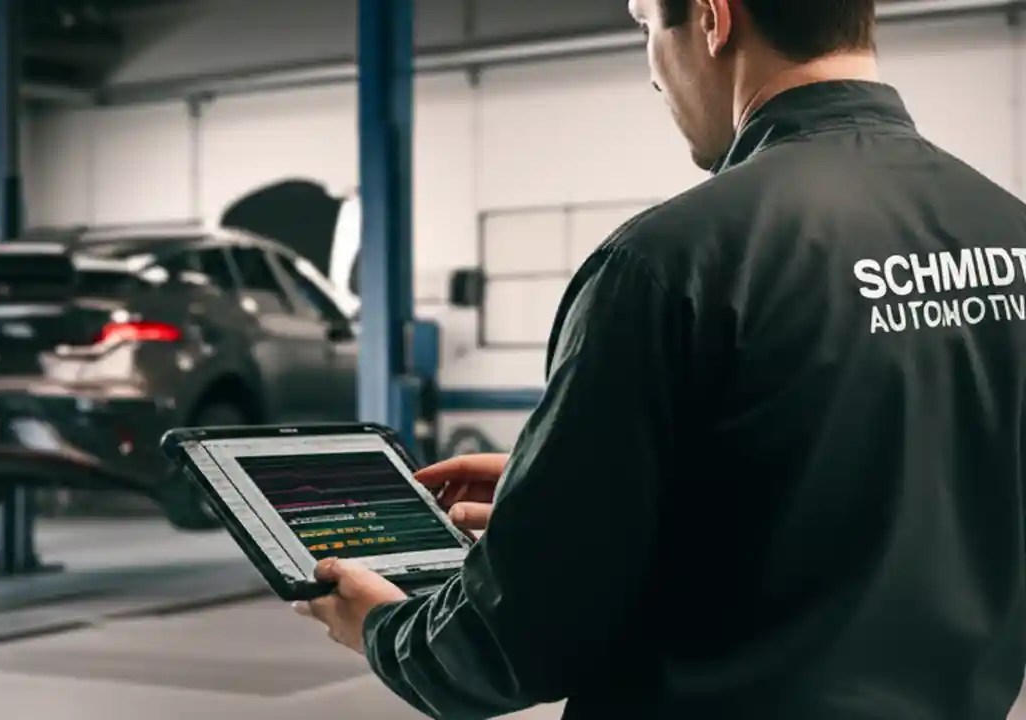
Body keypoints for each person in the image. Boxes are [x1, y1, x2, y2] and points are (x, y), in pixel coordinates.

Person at [296, 0, 1026, 717]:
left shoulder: (671, 263)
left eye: (645, 24)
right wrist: (580, 477)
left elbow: (513, 644)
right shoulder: (1009, 231)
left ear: (712, 16)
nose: (652, 70)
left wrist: (380, 626)